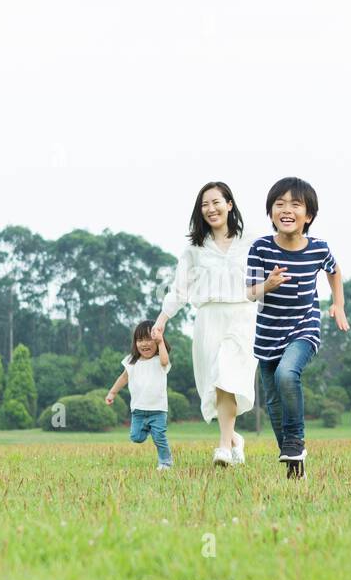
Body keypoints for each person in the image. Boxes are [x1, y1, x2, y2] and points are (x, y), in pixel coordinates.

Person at [246, 177, 348, 478]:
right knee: (274, 404)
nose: (286, 209)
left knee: (286, 374)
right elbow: (250, 292)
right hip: (267, 336)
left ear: (309, 216)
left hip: (303, 329)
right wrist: (269, 284)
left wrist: (338, 304)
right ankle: (293, 465)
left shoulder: (318, 248)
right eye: (279, 204)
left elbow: (334, 270)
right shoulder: (260, 248)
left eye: (295, 204)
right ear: (271, 213)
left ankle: (295, 440)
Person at [152, 182, 256, 467]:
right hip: (208, 319)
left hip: (242, 317)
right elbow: (179, 291)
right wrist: (161, 320)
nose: (211, 209)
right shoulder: (194, 250)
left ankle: (223, 447)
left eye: (216, 202)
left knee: (228, 375)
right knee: (215, 384)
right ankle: (234, 438)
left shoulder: (252, 242)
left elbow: (261, 285)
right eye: (204, 205)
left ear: (230, 205)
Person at [106, 320, 173, 470]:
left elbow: (165, 359)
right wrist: (112, 392)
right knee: (136, 438)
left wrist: (160, 341)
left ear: (156, 341)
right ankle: (148, 428)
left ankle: (165, 462)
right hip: (138, 410)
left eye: (149, 339)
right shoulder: (132, 361)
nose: (144, 344)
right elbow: (124, 377)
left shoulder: (159, 361)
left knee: (159, 438)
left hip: (158, 409)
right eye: (140, 340)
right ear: (135, 343)